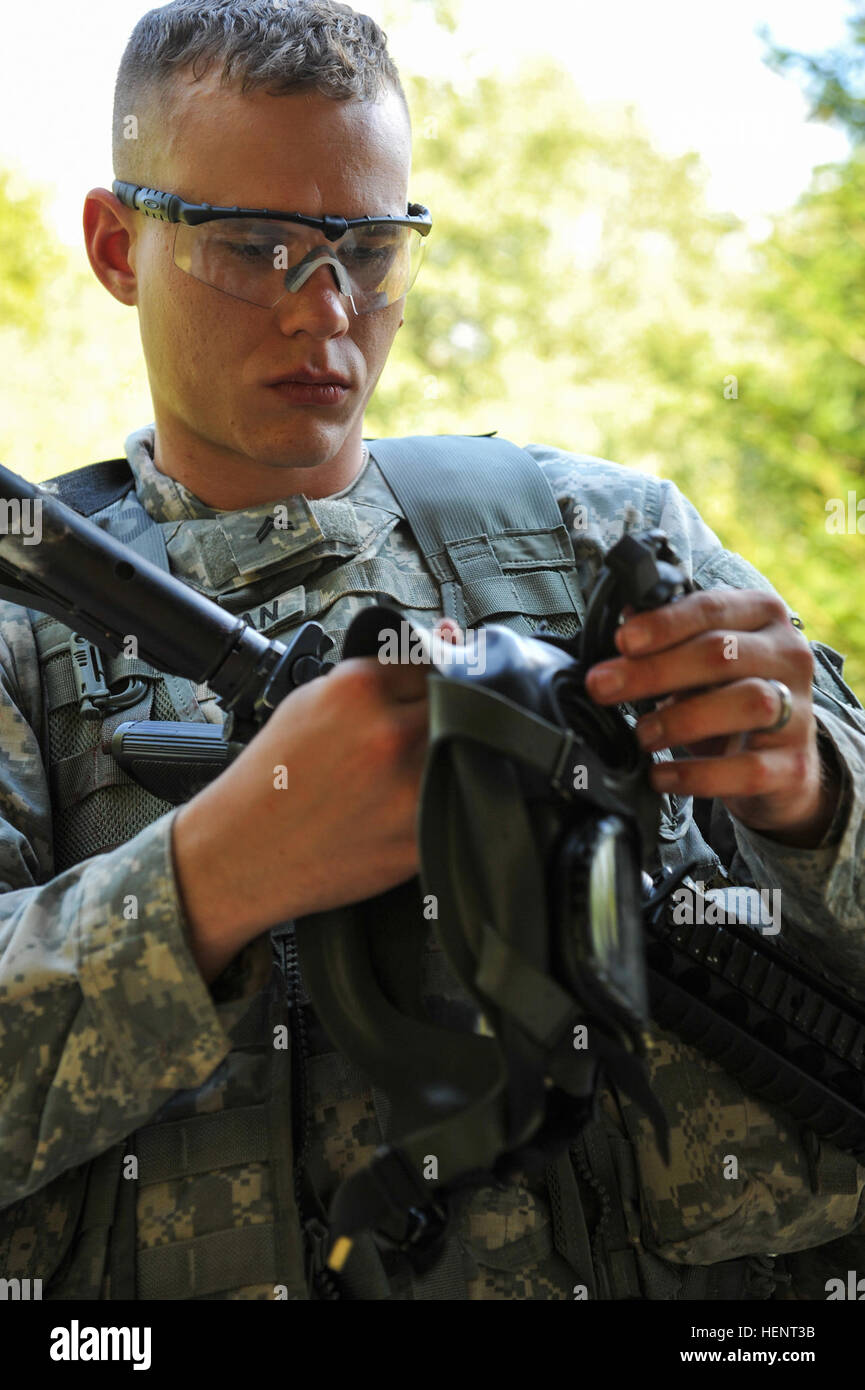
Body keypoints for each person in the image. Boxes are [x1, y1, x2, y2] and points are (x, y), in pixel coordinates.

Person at [0, 0, 863, 1302]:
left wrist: (808, 801)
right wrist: (211, 876)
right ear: (121, 246)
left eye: (368, 247)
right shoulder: (24, 628)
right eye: (255, 246)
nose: (324, 309)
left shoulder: (602, 533)